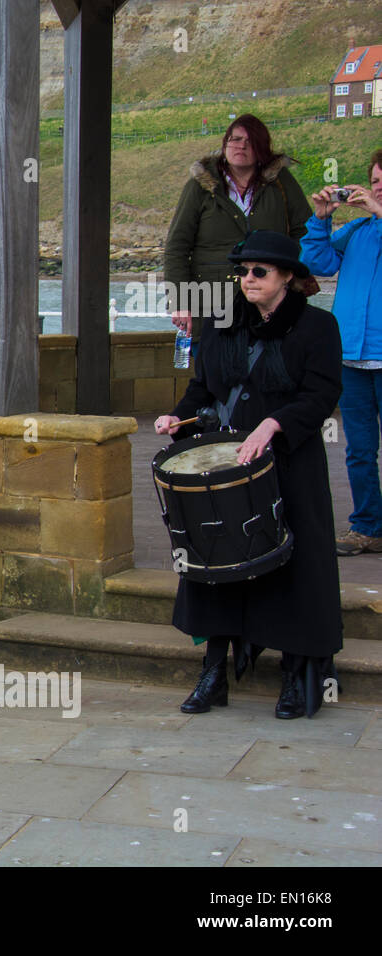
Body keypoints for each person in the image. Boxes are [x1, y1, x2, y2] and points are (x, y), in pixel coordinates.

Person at [154, 230, 342, 720]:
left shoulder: (318, 327)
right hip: (224, 464)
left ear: (287, 278)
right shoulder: (221, 324)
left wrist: (274, 424)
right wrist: (176, 417)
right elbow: (202, 388)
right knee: (217, 563)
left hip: (289, 462)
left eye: (259, 271)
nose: (248, 279)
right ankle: (214, 670)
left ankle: (297, 675)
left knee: (294, 566)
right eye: (242, 271)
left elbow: (322, 394)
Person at [164, 114, 312, 342]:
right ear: (224, 144)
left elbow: (306, 232)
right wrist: (181, 302)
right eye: (235, 139)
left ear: (262, 148)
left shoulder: (281, 183)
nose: (241, 145)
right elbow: (177, 247)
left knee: (271, 372)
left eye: (250, 141)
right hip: (211, 302)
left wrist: (288, 276)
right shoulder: (199, 186)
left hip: (270, 304)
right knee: (213, 374)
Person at [301, 149, 382, 556]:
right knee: (360, 450)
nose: (379, 189)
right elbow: (316, 262)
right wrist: (321, 217)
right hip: (353, 358)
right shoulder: (358, 231)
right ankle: (367, 527)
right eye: (376, 181)